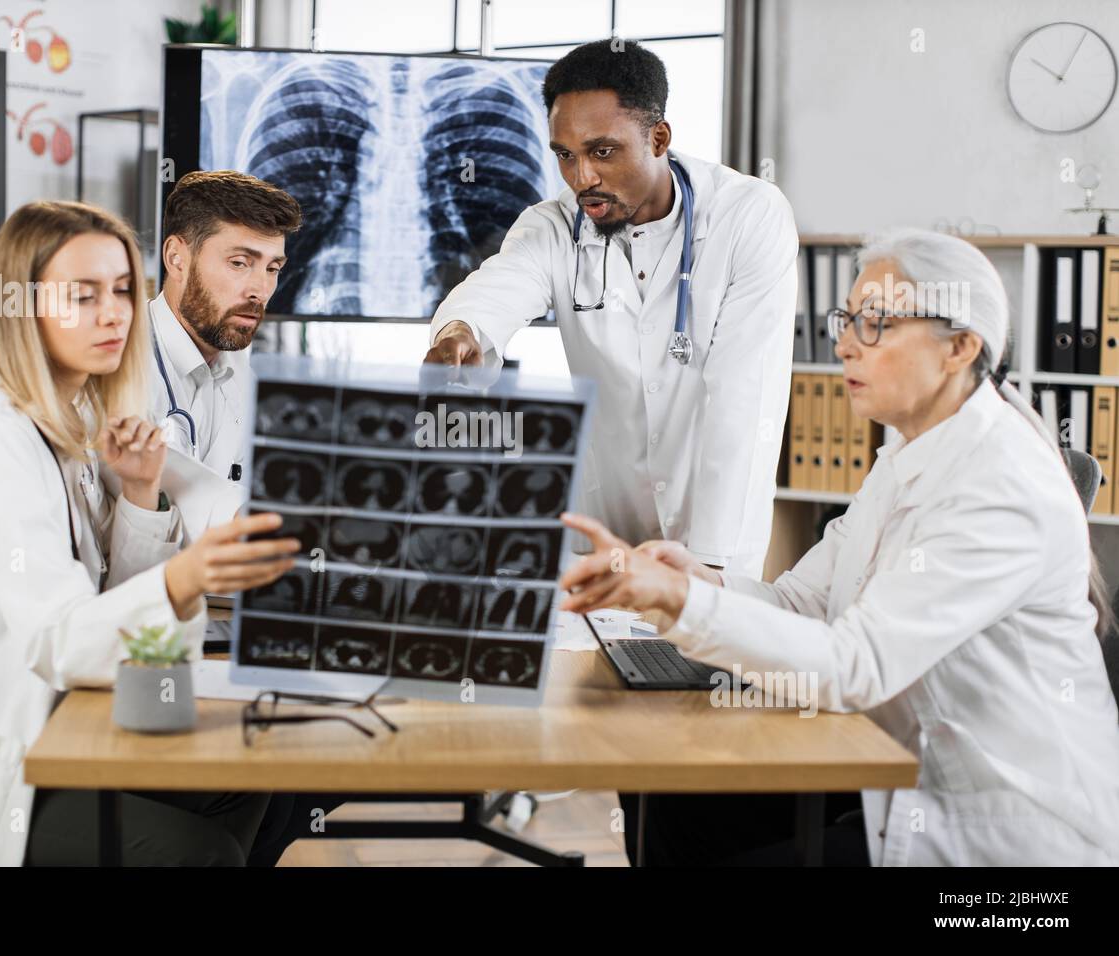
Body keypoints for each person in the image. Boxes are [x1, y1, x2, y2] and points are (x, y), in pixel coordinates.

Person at [559, 229, 1119, 866]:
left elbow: (857, 667)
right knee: (669, 795)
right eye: (848, 319)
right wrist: (703, 583)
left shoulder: (1002, 488)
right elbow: (805, 600)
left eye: (876, 324)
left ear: (960, 348)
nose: (846, 343)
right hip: (897, 772)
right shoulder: (908, 449)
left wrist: (681, 601)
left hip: (1003, 838)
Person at [0, 201, 299, 866]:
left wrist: (137, 492)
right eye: (83, 295)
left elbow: (111, 614)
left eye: (124, 291)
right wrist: (185, 576)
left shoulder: (74, 417)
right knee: (197, 852)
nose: (114, 313)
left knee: (244, 786)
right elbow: (59, 636)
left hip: (40, 719)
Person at [424, 39, 797, 578]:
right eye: (565, 156)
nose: (581, 179)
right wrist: (461, 331)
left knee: (695, 659)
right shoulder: (552, 226)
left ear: (659, 137)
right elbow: (496, 289)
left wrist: (711, 567)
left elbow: (744, 396)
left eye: (602, 151)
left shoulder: (748, 216)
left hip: (714, 527)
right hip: (604, 529)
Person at [148, 169, 301, 486]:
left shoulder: (242, 377)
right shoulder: (116, 369)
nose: (260, 289)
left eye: (273, 268)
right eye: (240, 263)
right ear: (177, 258)